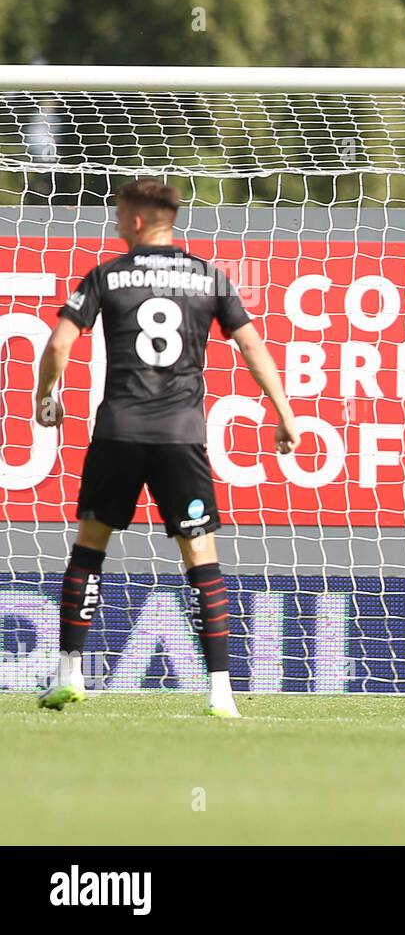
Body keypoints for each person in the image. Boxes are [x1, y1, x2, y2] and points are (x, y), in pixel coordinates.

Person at [33, 178, 299, 718]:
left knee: (90, 546)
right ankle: (221, 692)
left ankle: (70, 673)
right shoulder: (209, 276)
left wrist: (46, 396)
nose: (113, 223)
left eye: (116, 215)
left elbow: (60, 343)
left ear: (134, 220)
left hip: (119, 431)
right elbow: (251, 345)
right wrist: (284, 413)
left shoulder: (107, 275)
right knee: (200, 555)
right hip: (182, 434)